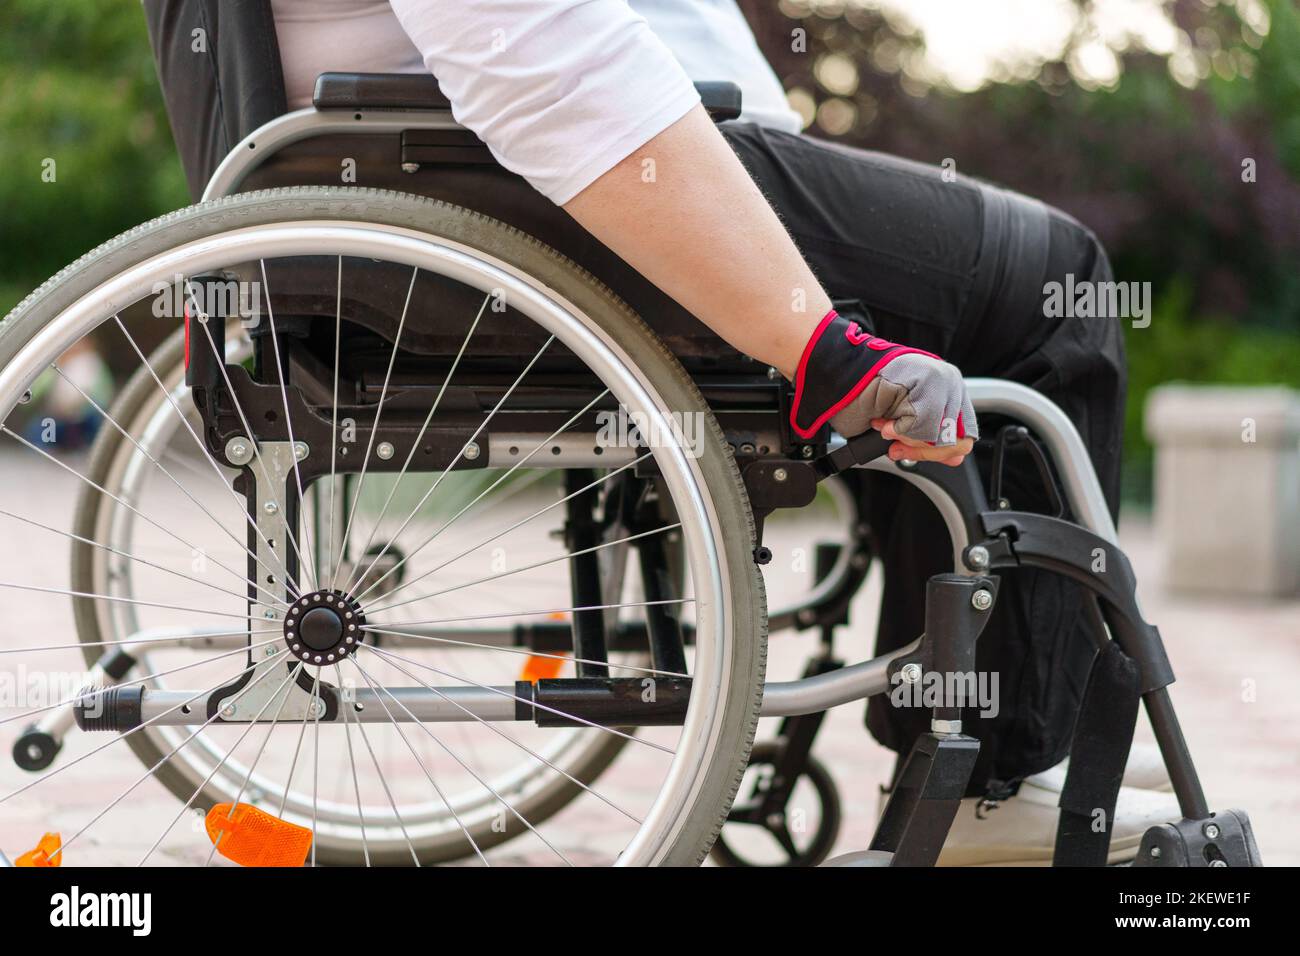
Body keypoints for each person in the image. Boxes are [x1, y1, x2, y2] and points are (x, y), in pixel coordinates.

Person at [157, 0, 1179, 863]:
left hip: (467, 172)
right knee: (1053, 282)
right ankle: (997, 777)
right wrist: (811, 341)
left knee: (943, 275)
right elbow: (545, 60)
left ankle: (994, 729)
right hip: (549, 174)